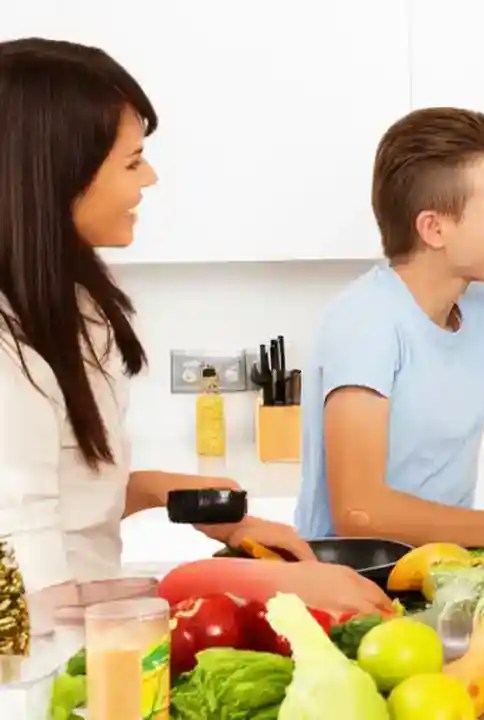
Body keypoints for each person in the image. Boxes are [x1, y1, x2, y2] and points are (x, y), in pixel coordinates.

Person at [0, 38, 391, 615]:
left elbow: (66, 495)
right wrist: (228, 585)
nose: (151, 177)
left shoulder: (74, 304)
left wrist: (173, 495)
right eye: (133, 161)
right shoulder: (9, 348)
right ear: (56, 174)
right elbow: (30, 606)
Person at [296, 108, 484, 548]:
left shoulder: (482, 310)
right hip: (357, 587)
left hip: (448, 578)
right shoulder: (367, 320)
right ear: (434, 228)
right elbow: (360, 512)